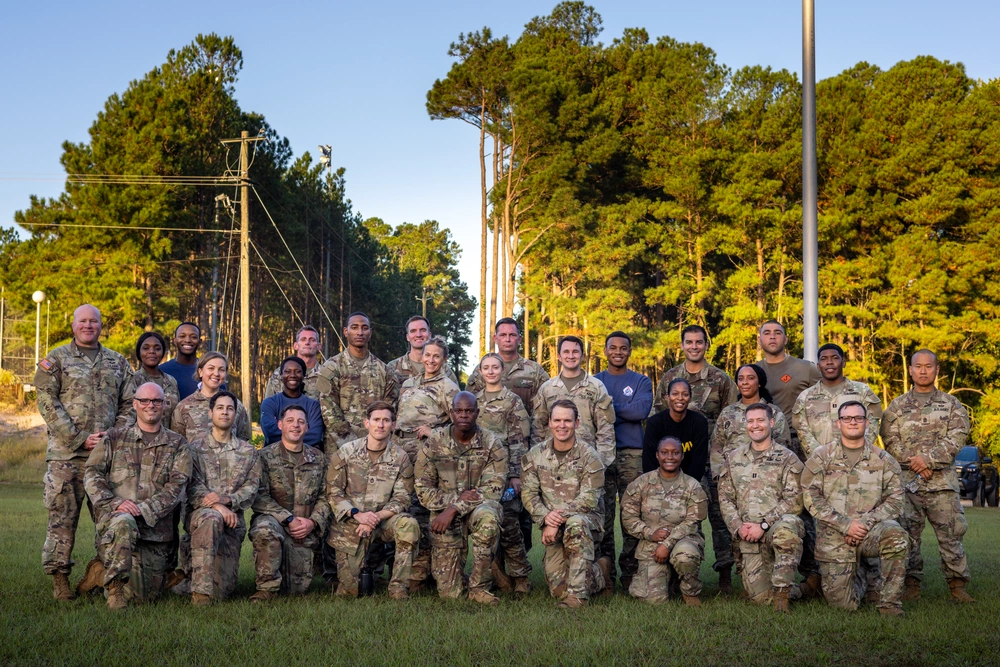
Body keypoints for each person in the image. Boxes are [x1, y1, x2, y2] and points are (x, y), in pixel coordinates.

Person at [35, 303, 134, 601]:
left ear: (102, 325)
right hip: (67, 457)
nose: (88, 326)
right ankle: (60, 580)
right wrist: (79, 438)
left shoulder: (117, 362)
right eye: (83, 321)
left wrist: (112, 435)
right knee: (62, 521)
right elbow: (46, 402)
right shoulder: (56, 359)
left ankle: (103, 573)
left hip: (105, 459)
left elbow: (130, 404)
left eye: (94, 321)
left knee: (108, 519)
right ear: (73, 325)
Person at [83, 383, 191, 609]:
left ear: (164, 405)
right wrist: (115, 503)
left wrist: (144, 509)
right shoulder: (114, 437)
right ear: (135, 404)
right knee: (124, 520)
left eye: (157, 401)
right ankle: (115, 591)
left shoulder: (177, 444)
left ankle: (99, 571)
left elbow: (178, 485)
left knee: (145, 596)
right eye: (144, 401)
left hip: (156, 532)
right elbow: (92, 473)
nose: (150, 405)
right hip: (116, 525)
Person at [880, 349, 974, 603]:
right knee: (908, 539)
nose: (923, 370)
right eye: (918, 366)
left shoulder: (952, 405)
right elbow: (890, 441)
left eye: (928, 366)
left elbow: (956, 439)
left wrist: (928, 460)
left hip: (942, 486)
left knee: (951, 537)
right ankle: (911, 585)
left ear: (936, 369)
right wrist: (918, 463)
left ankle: (957, 586)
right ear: (910, 370)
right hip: (907, 487)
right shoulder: (897, 406)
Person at [803, 401, 909, 615]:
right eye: (847, 418)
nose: (853, 422)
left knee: (896, 534)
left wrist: (863, 524)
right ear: (838, 424)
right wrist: (845, 525)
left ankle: (888, 604)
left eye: (858, 418)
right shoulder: (821, 457)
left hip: (870, 532)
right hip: (835, 537)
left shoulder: (883, 460)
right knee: (844, 606)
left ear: (867, 423)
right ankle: (863, 574)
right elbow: (810, 496)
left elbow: (896, 500)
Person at [414, 392, 508, 604]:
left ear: (477, 413)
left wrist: (454, 508)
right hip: (444, 519)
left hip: (477, 511)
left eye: (468, 411)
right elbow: (422, 489)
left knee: (489, 517)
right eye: (459, 411)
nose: (463, 415)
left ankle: (479, 587)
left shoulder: (492, 443)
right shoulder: (434, 443)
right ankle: (487, 572)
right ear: (451, 413)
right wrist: (452, 504)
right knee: (451, 594)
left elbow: (492, 490)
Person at [466, 317, 549, 554]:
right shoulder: (481, 369)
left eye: (512, 335)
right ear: (495, 338)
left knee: (519, 511)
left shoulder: (534, 371)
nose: (508, 339)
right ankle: (495, 565)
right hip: (486, 456)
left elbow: (542, 411)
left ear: (519, 339)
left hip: (523, 449)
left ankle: (517, 565)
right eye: (503, 335)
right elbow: (469, 408)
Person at [708, 363, 790, 592]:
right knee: (734, 528)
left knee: (767, 526)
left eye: (750, 378)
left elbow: (784, 448)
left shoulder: (774, 413)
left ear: (760, 382)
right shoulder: (729, 413)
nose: (745, 382)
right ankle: (736, 571)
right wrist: (719, 475)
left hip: (767, 484)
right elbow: (716, 446)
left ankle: (775, 573)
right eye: (741, 378)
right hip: (734, 481)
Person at [521, 400, 611, 608]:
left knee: (576, 523)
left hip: (585, 522)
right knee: (559, 589)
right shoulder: (535, 455)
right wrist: (545, 517)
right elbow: (529, 493)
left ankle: (578, 597)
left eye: (568, 420)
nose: (562, 425)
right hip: (553, 524)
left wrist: (555, 520)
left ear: (577, 423)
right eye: (558, 420)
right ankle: (600, 570)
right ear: (550, 423)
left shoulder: (591, 457)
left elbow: (588, 499)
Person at [718, 403, 806, 613]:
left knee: (787, 529)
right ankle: (803, 589)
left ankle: (783, 595)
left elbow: (795, 499)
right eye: (750, 421)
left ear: (771, 423)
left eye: (760, 420)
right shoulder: (734, 459)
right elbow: (725, 497)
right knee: (760, 598)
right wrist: (739, 527)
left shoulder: (787, 458)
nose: (755, 426)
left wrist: (765, 524)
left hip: (776, 528)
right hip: (748, 534)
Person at [326, 401, 418, 600]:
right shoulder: (346, 453)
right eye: (376, 420)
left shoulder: (400, 458)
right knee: (351, 591)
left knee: (408, 524)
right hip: (352, 522)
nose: (381, 425)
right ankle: (365, 572)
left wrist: (375, 517)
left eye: (386, 420)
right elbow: (333, 491)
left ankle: (398, 588)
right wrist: (358, 515)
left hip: (383, 521)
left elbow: (402, 497)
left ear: (393, 425)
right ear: (367, 423)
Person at [394, 336, 460, 588]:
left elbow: (460, 422)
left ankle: (424, 574)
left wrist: (435, 432)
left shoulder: (447, 386)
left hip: (427, 454)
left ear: (443, 360)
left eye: (436, 356)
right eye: (427, 354)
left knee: (424, 509)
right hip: (403, 453)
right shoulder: (408, 383)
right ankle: (410, 569)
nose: (430, 359)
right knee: (406, 508)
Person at [248, 404, 330, 601]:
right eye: (290, 421)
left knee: (296, 589)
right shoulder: (264, 457)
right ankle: (266, 588)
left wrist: (313, 522)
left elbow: (327, 496)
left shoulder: (319, 459)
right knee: (264, 529)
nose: (296, 425)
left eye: (301, 422)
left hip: (305, 527)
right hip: (275, 521)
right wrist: (288, 518)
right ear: (280, 425)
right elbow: (259, 495)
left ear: (307, 427)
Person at [186, 391, 261, 605]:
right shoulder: (194, 448)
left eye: (230, 409)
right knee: (212, 518)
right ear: (210, 413)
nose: (225, 412)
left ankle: (184, 576)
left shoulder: (247, 452)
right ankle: (200, 595)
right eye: (220, 408)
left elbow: (252, 486)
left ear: (236, 415)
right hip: (201, 518)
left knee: (223, 590)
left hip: (232, 523)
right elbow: (191, 484)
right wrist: (218, 507)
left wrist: (228, 501)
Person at [593, 331, 653, 591]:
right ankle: (605, 574)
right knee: (602, 515)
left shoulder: (641, 381)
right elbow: (590, 414)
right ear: (605, 351)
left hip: (632, 454)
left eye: (623, 348)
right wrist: (622, 408)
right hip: (600, 456)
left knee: (632, 515)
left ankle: (631, 573)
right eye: (613, 348)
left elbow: (640, 411)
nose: (618, 352)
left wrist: (608, 407)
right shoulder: (595, 381)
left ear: (629, 352)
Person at [621, 436, 707, 605]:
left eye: (675, 453)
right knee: (653, 600)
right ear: (657, 455)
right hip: (651, 543)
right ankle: (669, 579)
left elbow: (692, 522)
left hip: (683, 540)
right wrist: (650, 533)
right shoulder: (641, 483)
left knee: (685, 556)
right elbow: (628, 517)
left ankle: (689, 591)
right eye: (664, 452)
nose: (670, 457)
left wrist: (667, 544)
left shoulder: (693, 486)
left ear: (682, 457)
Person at [473, 353, 532, 595]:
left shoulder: (512, 401)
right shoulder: (473, 401)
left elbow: (519, 440)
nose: (490, 371)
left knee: (509, 526)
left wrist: (516, 475)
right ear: (480, 372)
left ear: (501, 370)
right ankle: (493, 576)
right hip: (479, 475)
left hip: (505, 473)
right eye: (485, 367)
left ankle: (521, 577)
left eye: (495, 367)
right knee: (488, 526)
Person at [531, 335, 616, 469]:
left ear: (582, 356)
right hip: (551, 463)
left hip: (586, 462)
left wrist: (600, 465)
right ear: (559, 356)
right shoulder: (547, 389)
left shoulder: (596, 387)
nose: (571, 356)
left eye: (575, 352)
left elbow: (605, 431)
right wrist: (538, 461)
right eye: (566, 352)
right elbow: (538, 429)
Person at [316, 312, 398, 449]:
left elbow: (389, 410)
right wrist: (352, 443)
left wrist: (373, 442)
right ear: (345, 331)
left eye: (364, 328)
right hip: (340, 447)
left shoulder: (385, 371)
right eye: (354, 327)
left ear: (370, 333)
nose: (360, 332)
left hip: (375, 446)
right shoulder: (331, 367)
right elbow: (329, 410)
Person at [792, 344, 882, 459]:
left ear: (843, 363)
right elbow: (803, 432)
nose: (829, 362)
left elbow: (872, 424)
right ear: (818, 366)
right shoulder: (805, 397)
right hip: (820, 465)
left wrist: (857, 452)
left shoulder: (862, 391)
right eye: (824, 359)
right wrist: (821, 457)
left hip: (857, 462)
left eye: (835, 358)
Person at [654, 325, 737, 435]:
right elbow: (659, 415)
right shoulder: (669, 378)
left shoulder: (721, 379)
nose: (694, 347)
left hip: (709, 447)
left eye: (699, 342)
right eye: (689, 342)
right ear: (682, 346)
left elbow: (732, 416)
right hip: (674, 447)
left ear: (706, 345)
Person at [756, 320, 822, 459]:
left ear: (785, 339)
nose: (772, 336)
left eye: (778, 333)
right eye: (767, 333)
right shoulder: (752, 372)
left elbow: (827, 397)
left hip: (801, 441)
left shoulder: (805, 368)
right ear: (759, 340)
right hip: (765, 442)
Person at [171, 351, 251, 442]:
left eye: (221, 370)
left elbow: (243, 440)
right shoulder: (183, 407)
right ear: (200, 372)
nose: (216, 373)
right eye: (211, 368)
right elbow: (177, 442)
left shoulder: (235, 405)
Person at [642, 379, 708, 479]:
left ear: (690, 398)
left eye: (685, 394)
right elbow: (649, 461)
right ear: (668, 397)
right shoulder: (655, 423)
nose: (680, 398)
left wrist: (686, 488)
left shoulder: (699, 422)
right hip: (659, 479)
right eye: (675, 394)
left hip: (690, 480)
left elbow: (698, 462)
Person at [259, 356, 325, 449]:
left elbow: (314, 436)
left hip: (306, 458)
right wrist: (298, 437)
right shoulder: (269, 403)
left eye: (297, 371)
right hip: (274, 456)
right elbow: (270, 433)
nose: (293, 375)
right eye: (287, 371)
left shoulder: (313, 406)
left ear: (303, 375)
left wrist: (287, 437)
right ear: (281, 375)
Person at [387, 315, 458, 387]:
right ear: (407, 337)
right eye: (413, 331)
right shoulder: (393, 368)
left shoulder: (444, 369)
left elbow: (455, 396)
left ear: (429, 335)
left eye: (423, 330)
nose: (418, 335)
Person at [129, 332, 180, 429]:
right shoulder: (131, 380)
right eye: (146, 348)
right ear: (139, 352)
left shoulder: (171, 381)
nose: (152, 351)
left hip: (169, 440)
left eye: (157, 348)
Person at [262, 325, 324, 400]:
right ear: (295, 346)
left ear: (319, 346)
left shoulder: (325, 375)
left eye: (312, 340)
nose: (307, 342)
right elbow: (268, 405)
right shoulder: (280, 374)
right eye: (303, 339)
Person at [159, 322, 204, 400]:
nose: (187, 340)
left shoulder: (209, 371)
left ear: (199, 342)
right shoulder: (162, 371)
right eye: (182, 336)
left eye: (193, 337)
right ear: (175, 341)